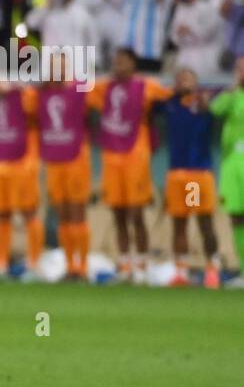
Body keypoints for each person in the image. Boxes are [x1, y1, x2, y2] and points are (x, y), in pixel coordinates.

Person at [86, 47, 173, 283]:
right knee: (118, 213)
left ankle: (143, 263)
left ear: (133, 65)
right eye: (115, 62)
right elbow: (78, 89)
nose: (118, 67)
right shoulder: (105, 87)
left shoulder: (146, 85)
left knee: (136, 213)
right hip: (112, 158)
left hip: (136, 156)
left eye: (123, 62)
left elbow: (171, 96)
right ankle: (125, 263)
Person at [29, 62, 92, 282]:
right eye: (54, 69)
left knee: (77, 213)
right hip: (54, 160)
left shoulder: (78, 90)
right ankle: (70, 265)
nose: (57, 73)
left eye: (62, 69)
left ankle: (82, 267)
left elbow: (92, 88)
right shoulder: (41, 95)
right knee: (62, 214)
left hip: (76, 159)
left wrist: (71, 81)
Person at [160, 68, 220, 288]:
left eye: (188, 78)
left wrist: (205, 101)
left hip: (197, 174)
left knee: (203, 221)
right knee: (179, 224)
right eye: (179, 78)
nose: (183, 81)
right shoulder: (169, 103)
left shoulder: (204, 103)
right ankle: (181, 272)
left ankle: (212, 268)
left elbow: (218, 100)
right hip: (176, 173)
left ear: (196, 82)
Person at [0, 74, 43, 280]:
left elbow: (39, 101)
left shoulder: (22, 96)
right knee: (2, 214)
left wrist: (19, 87)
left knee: (29, 212)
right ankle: (0, 264)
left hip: (23, 164)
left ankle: (35, 264)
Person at [209, 56, 244, 286]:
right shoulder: (232, 96)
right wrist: (234, 88)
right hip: (233, 161)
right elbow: (214, 109)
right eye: (239, 68)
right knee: (237, 218)